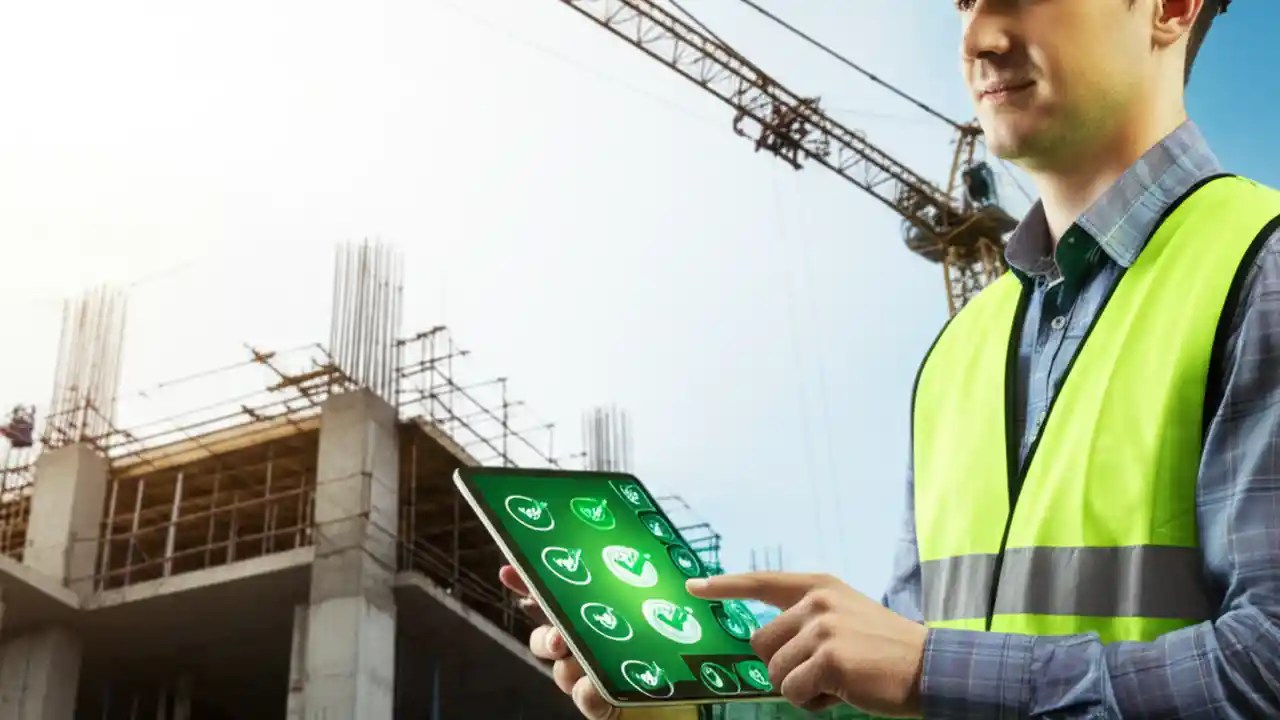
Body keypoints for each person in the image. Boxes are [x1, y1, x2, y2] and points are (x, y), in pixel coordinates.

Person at [500, 0, 1280, 716]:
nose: (980, 37)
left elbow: (1267, 670)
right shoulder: (959, 354)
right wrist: (688, 703)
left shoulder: (1260, 266)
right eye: (964, 1)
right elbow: (899, 693)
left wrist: (928, 665)